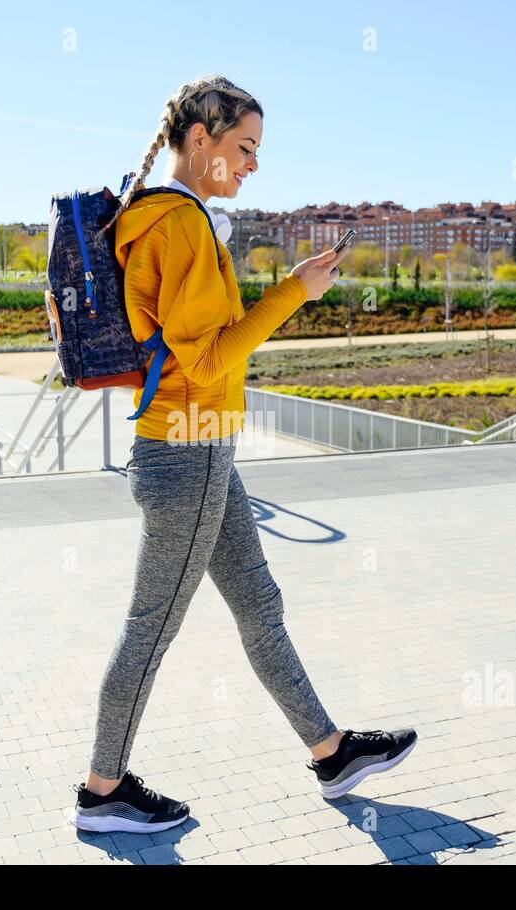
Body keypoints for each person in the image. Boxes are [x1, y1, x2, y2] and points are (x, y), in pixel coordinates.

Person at [69, 74, 417, 835]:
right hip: (185, 451)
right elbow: (210, 361)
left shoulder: (176, 219)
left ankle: (332, 754)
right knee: (150, 625)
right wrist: (291, 292)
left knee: (259, 604)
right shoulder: (179, 225)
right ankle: (103, 792)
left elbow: (194, 344)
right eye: (245, 147)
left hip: (201, 450)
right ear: (201, 141)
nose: (253, 165)